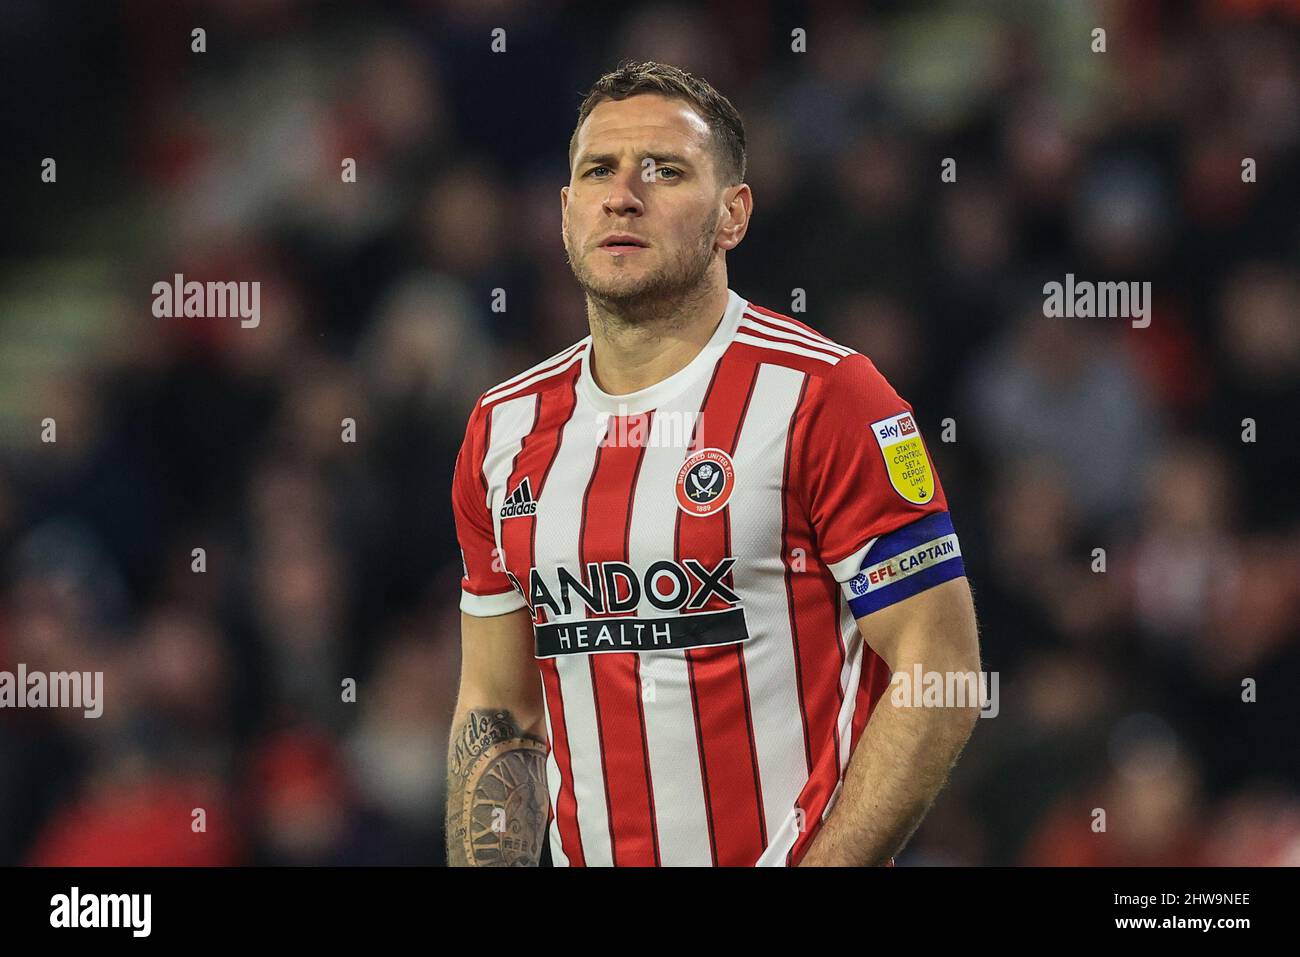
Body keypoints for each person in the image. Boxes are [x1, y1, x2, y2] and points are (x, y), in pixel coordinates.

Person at [446, 61, 981, 867]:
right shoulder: (502, 427)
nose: (623, 194)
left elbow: (939, 668)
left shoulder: (828, 395)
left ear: (734, 215)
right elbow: (498, 707)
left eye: (664, 171)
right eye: (598, 171)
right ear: (565, 213)